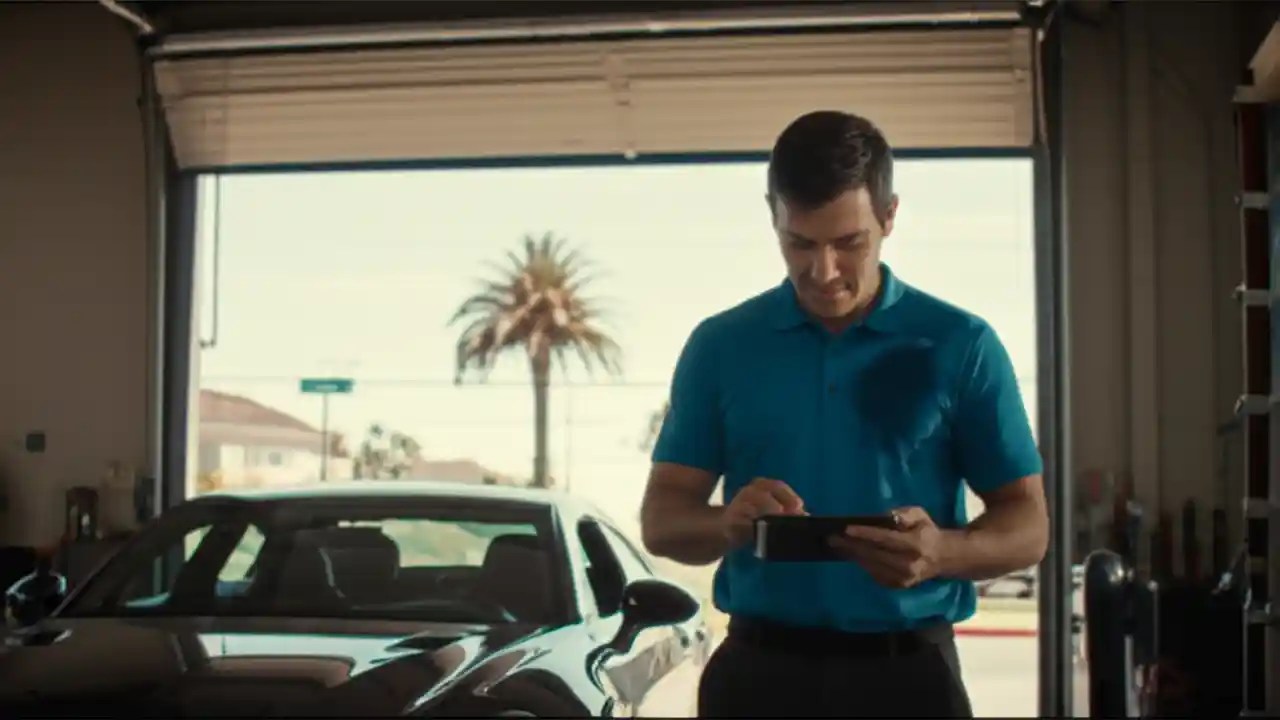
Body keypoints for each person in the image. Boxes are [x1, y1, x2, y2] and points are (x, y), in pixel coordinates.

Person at [639, 110, 1049, 718]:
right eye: (799, 243)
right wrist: (731, 523)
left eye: (848, 243)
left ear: (889, 218)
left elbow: (1029, 526)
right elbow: (662, 522)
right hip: (756, 678)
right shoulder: (720, 346)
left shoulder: (961, 344)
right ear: (774, 217)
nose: (823, 272)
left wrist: (942, 553)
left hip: (909, 681)